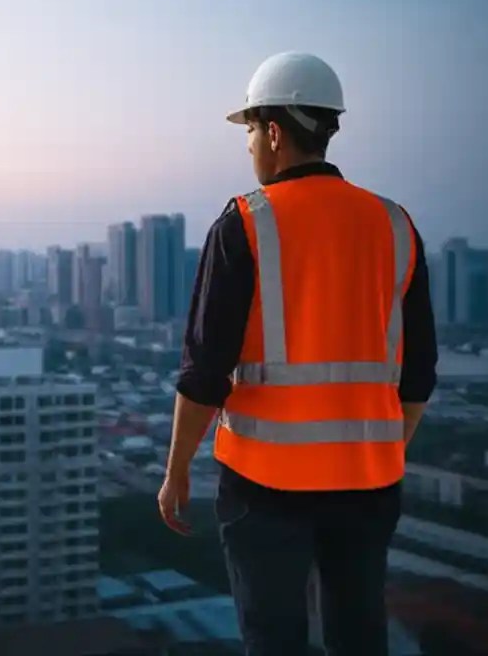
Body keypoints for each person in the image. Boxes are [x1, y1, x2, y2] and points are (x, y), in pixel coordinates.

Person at [157, 51, 438, 656]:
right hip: (368, 485)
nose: (249, 147)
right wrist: (378, 451)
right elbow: (418, 376)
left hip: (265, 486)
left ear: (275, 132)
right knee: (359, 636)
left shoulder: (245, 223)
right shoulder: (394, 225)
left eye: (250, 131)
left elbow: (205, 372)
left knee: (274, 640)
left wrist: (176, 470)